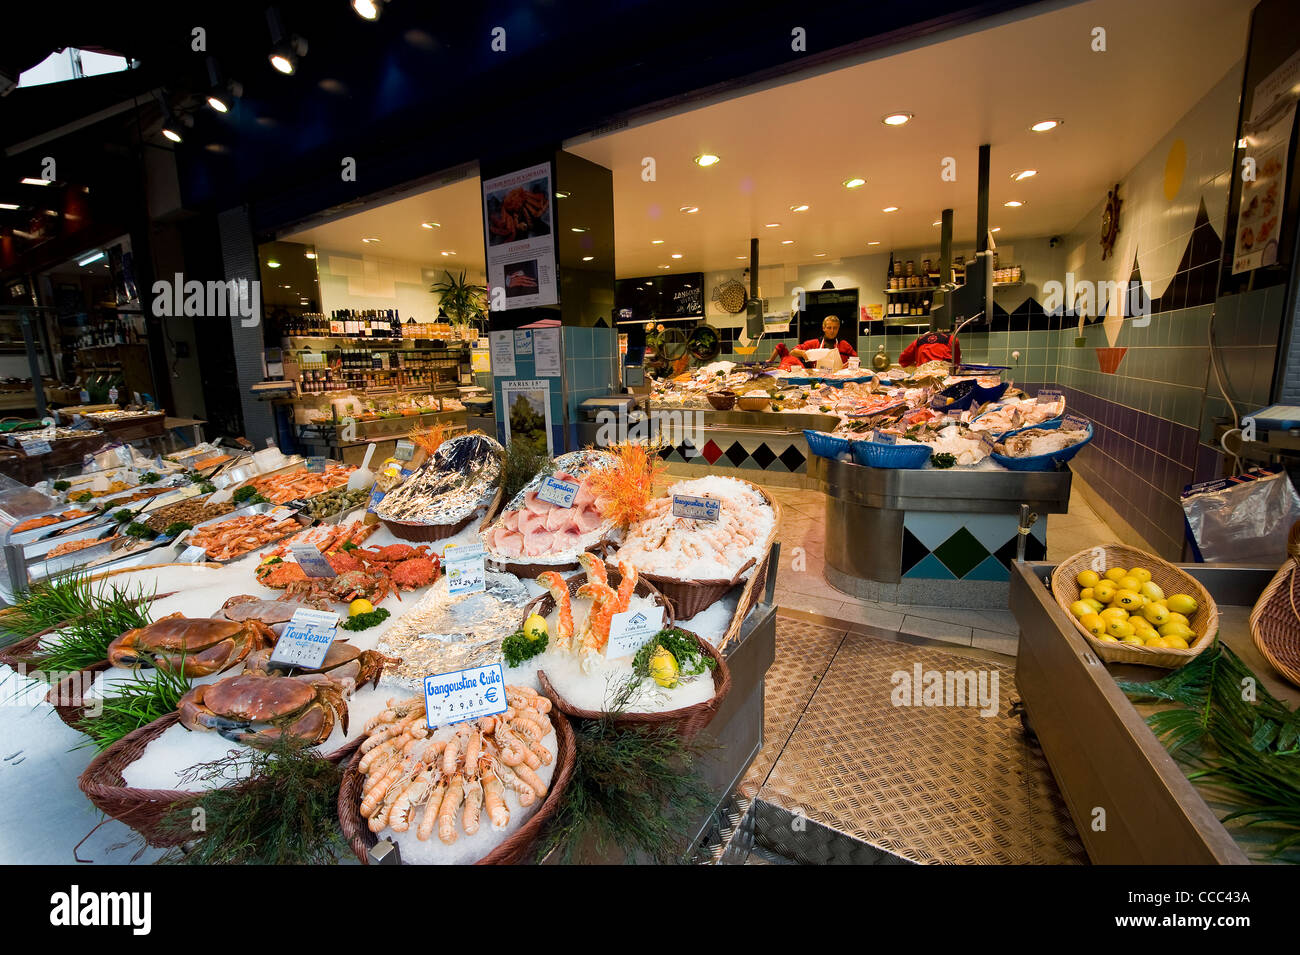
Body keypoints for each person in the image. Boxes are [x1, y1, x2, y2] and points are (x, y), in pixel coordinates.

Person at [770, 315, 858, 370]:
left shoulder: (844, 345)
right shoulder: (814, 343)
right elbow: (792, 352)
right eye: (829, 327)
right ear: (823, 328)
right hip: (818, 380)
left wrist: (850, 365)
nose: (832, 331)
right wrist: (802, 353)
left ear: (838, 329)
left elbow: (857, 361)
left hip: (839, 380)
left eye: (835, 328)